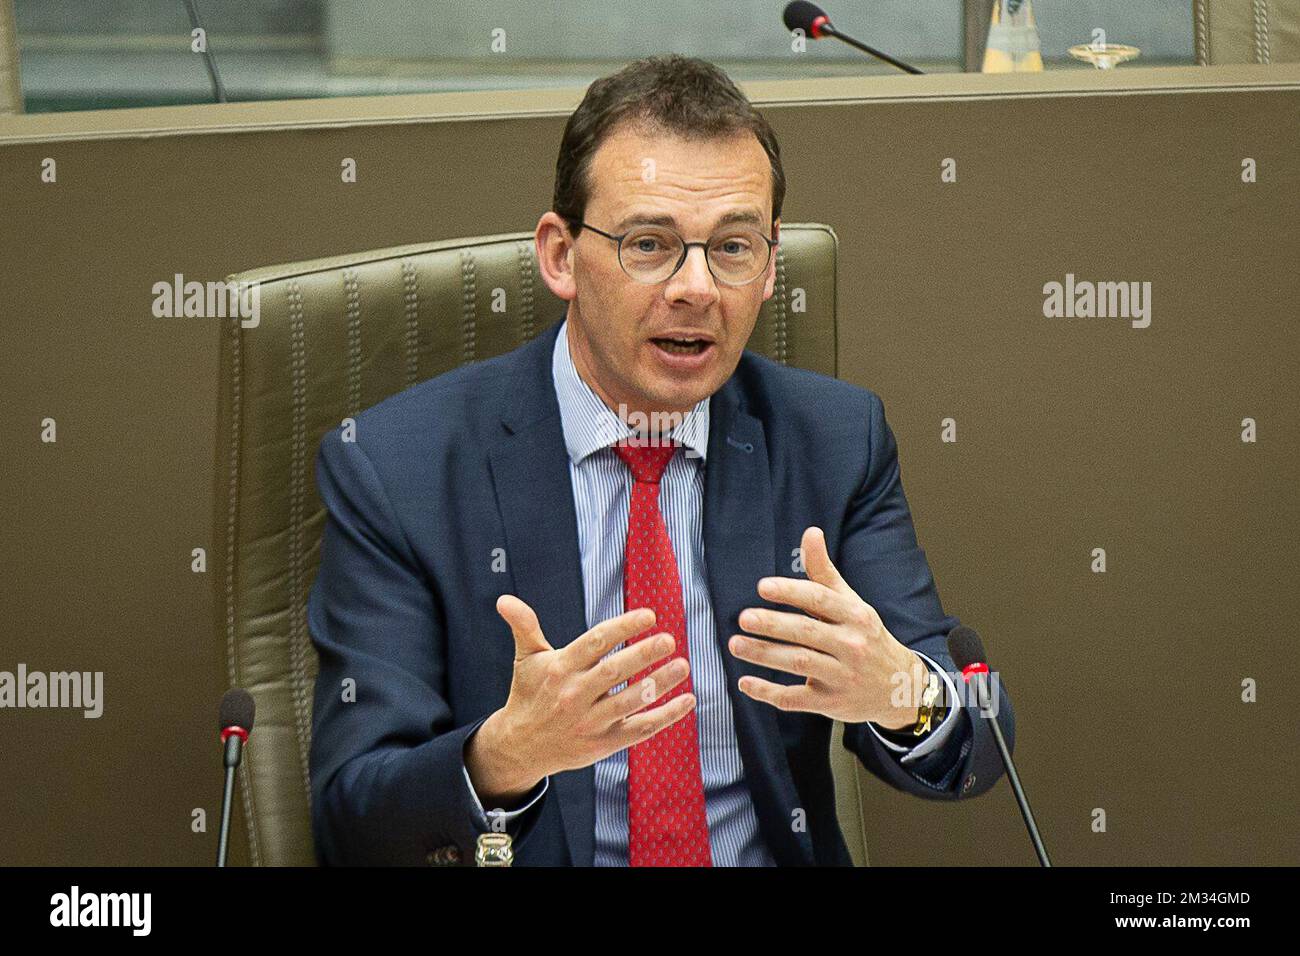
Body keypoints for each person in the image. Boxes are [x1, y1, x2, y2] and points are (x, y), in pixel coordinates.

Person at [307, 54, 1014, 867]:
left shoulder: (833, 441)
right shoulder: (397, 470)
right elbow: (348, 820)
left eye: (734, 248)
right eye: (650, 244)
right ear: (561, 256)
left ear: (771, 267)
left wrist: (902, 692)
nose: (696, 288)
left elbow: (978, 748)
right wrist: (505, 756)